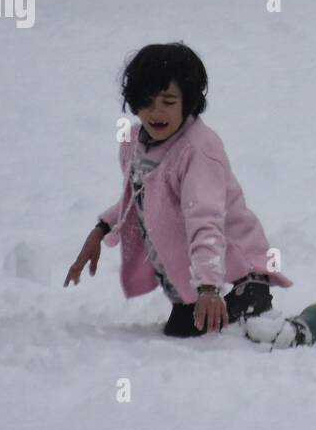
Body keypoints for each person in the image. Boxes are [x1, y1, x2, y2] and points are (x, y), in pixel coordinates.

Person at [64, 42, 292, 337]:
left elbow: (205, 220)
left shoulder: (197, 151)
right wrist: (100, 231)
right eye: (147, 102)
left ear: (188, 101)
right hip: (198, 281)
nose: (156, 112)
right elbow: (140, 197)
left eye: (168, 102)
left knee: (244, 340)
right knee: (185, 333)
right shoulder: (136, 142)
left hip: (236, 278)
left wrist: (210, 288)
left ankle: (308, 329)